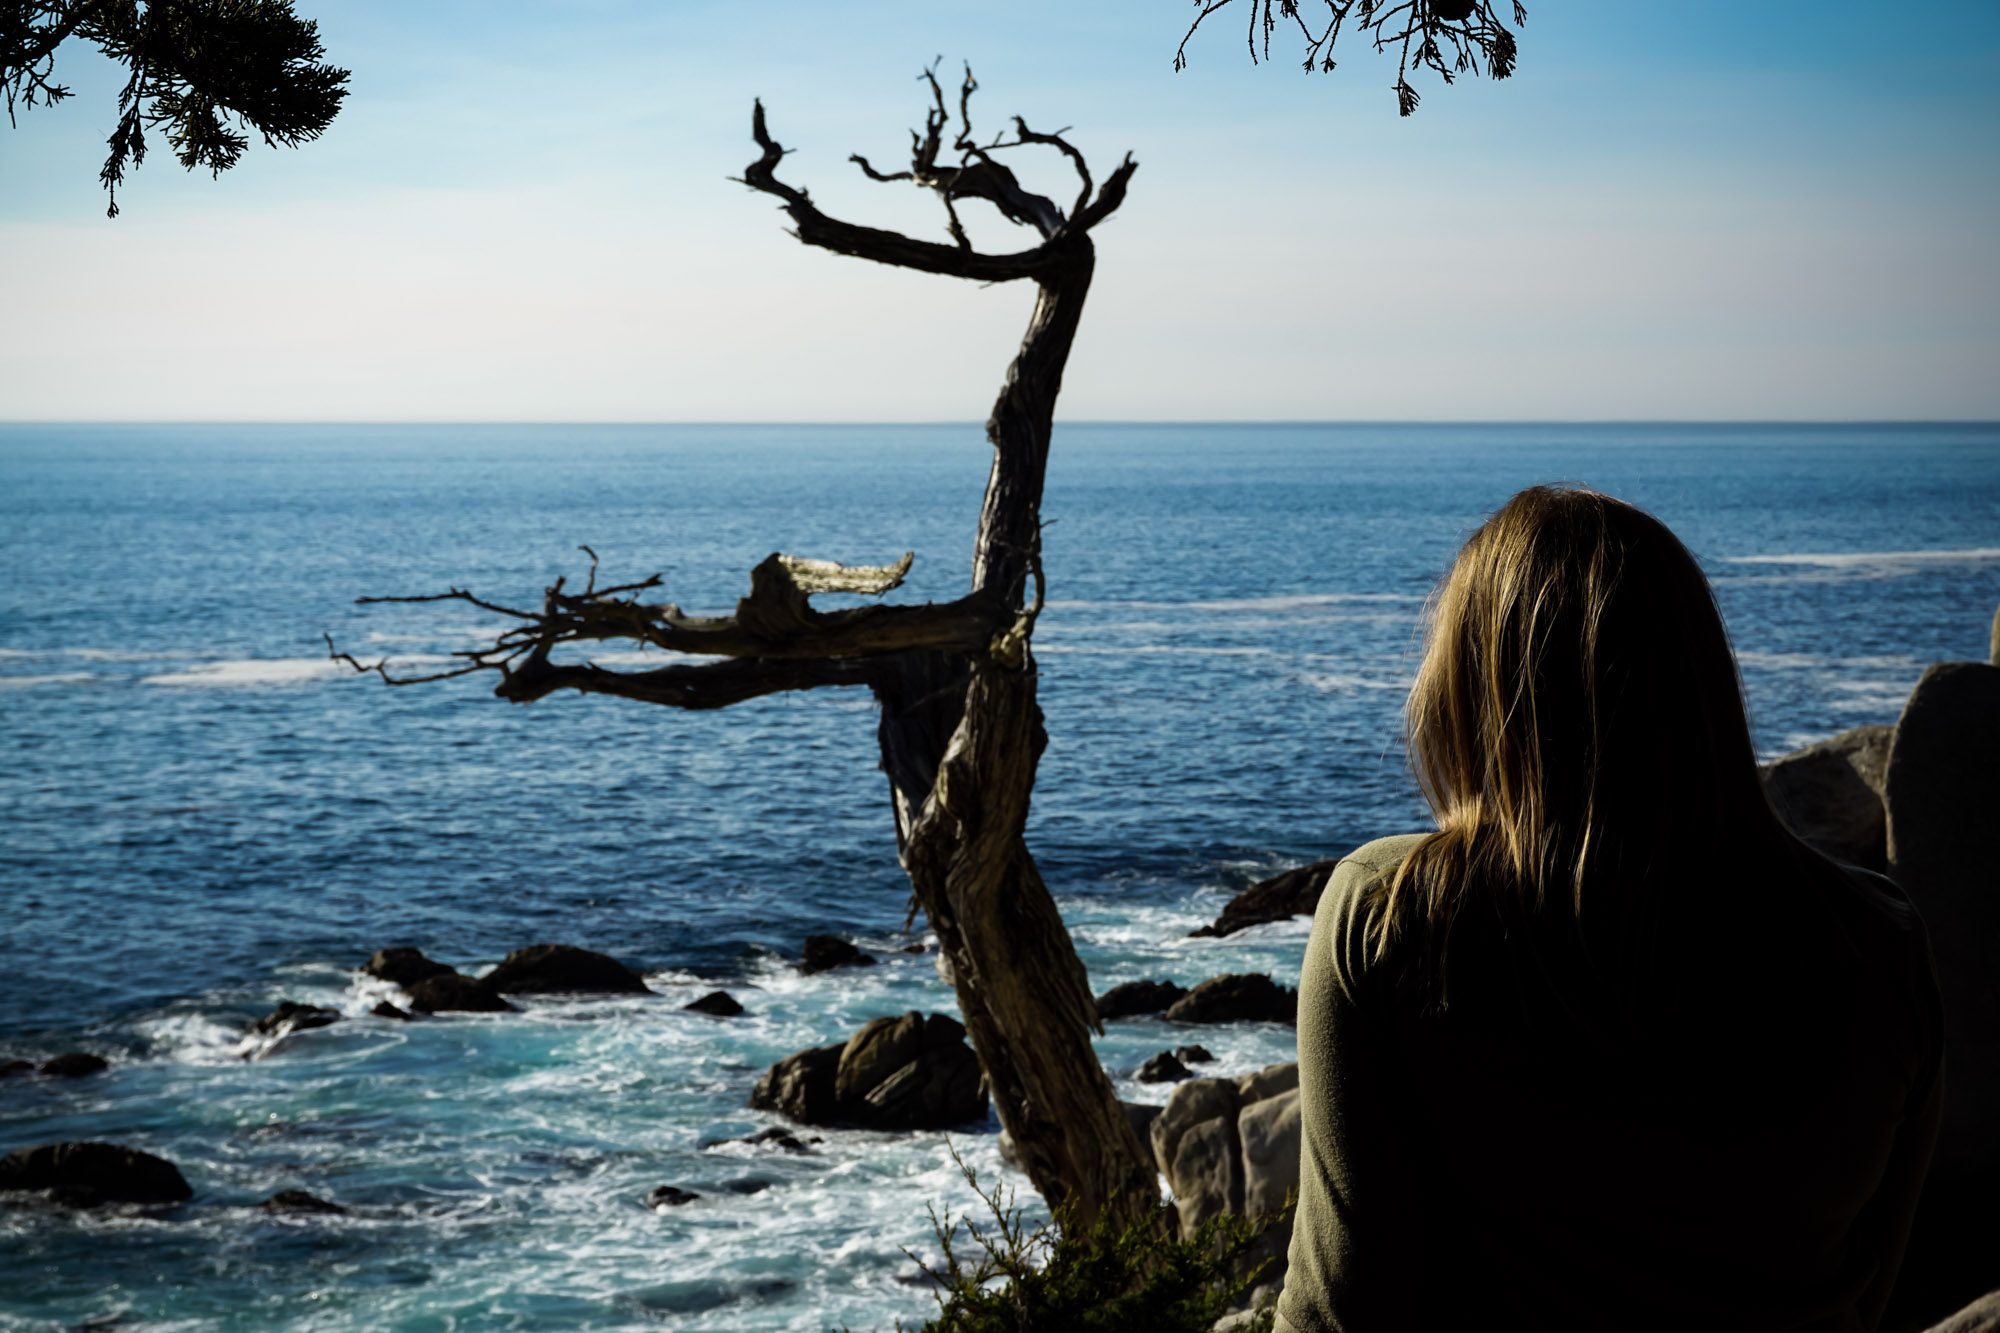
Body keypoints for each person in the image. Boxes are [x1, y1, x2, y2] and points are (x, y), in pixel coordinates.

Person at [1277, 486, 1943, 1333]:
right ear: (1698, 681)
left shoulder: (1388, 913)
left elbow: (1337, 1311)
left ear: (1471, 692)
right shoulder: (1880, 942)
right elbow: (1871, 1282)